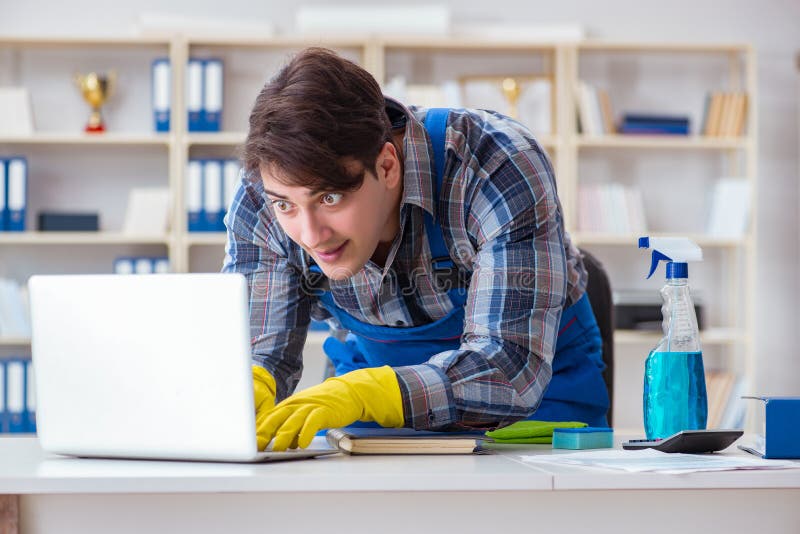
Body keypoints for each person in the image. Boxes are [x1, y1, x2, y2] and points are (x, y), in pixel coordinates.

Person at [224, 47, 609, 451]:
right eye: (285, 205)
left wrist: (369, 392)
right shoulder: (262, 193)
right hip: (368, 401)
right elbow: (261, 352)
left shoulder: (493, 163)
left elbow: (510, 367)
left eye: (330, 199)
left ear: (387, 166)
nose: (311, 235)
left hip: (535, 400)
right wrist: (244, 385)